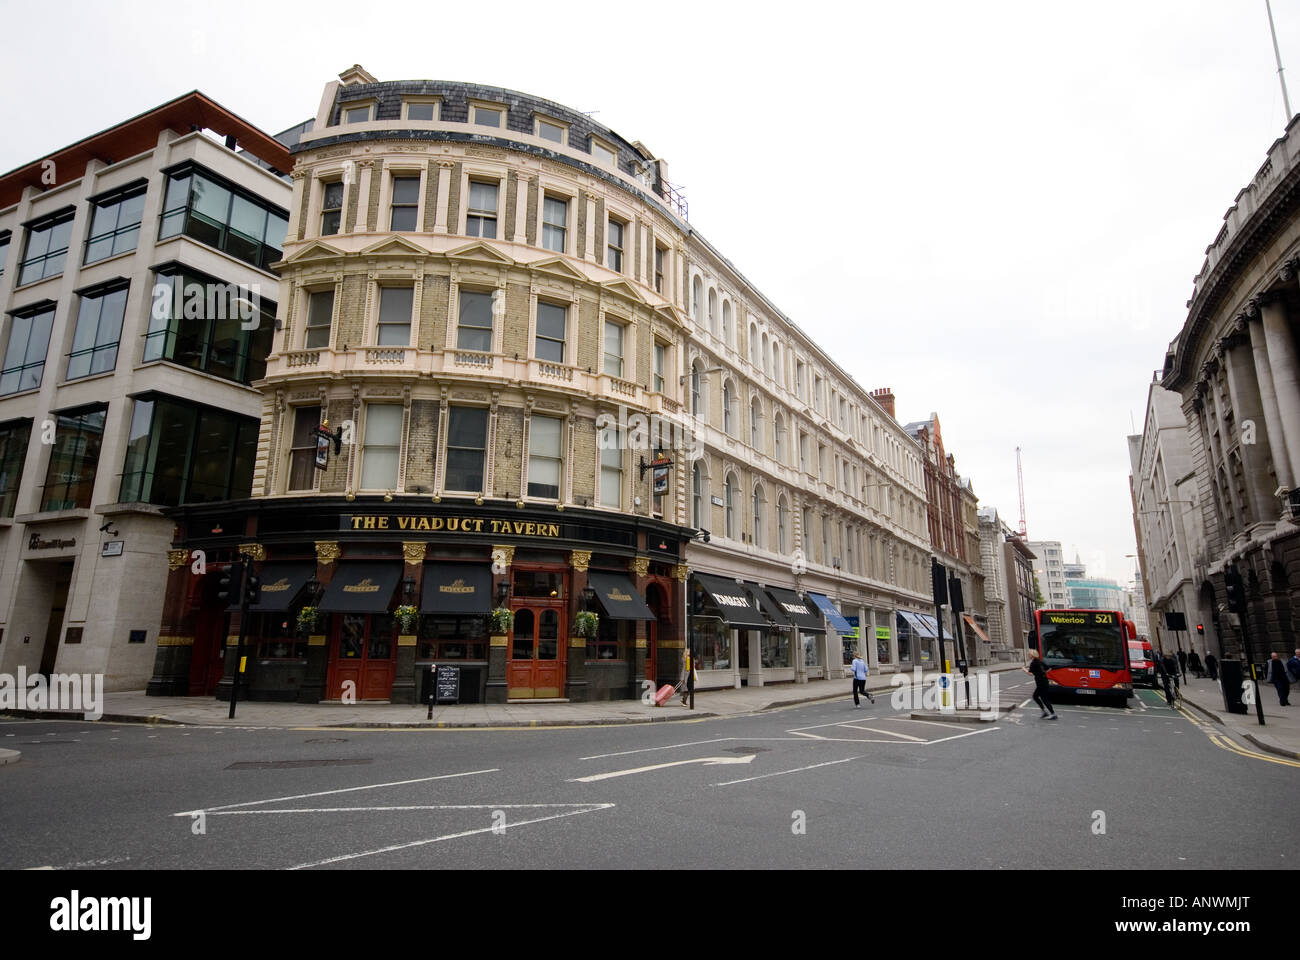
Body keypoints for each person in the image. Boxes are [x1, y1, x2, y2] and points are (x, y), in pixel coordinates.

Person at [1022, 650, 1058, 720]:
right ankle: (1044, 712)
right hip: (1044, 682)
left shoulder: (1033, 663)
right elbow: (1049, 669)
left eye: (1029, 654)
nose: (1028, 655)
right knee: (1035, 696)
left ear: (1032, 655)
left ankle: (1053, 714)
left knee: (1044, 698)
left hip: (1041, 683)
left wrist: (1024, 670)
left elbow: (1030, 673)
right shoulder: (1040, 661)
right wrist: (1042, 673)